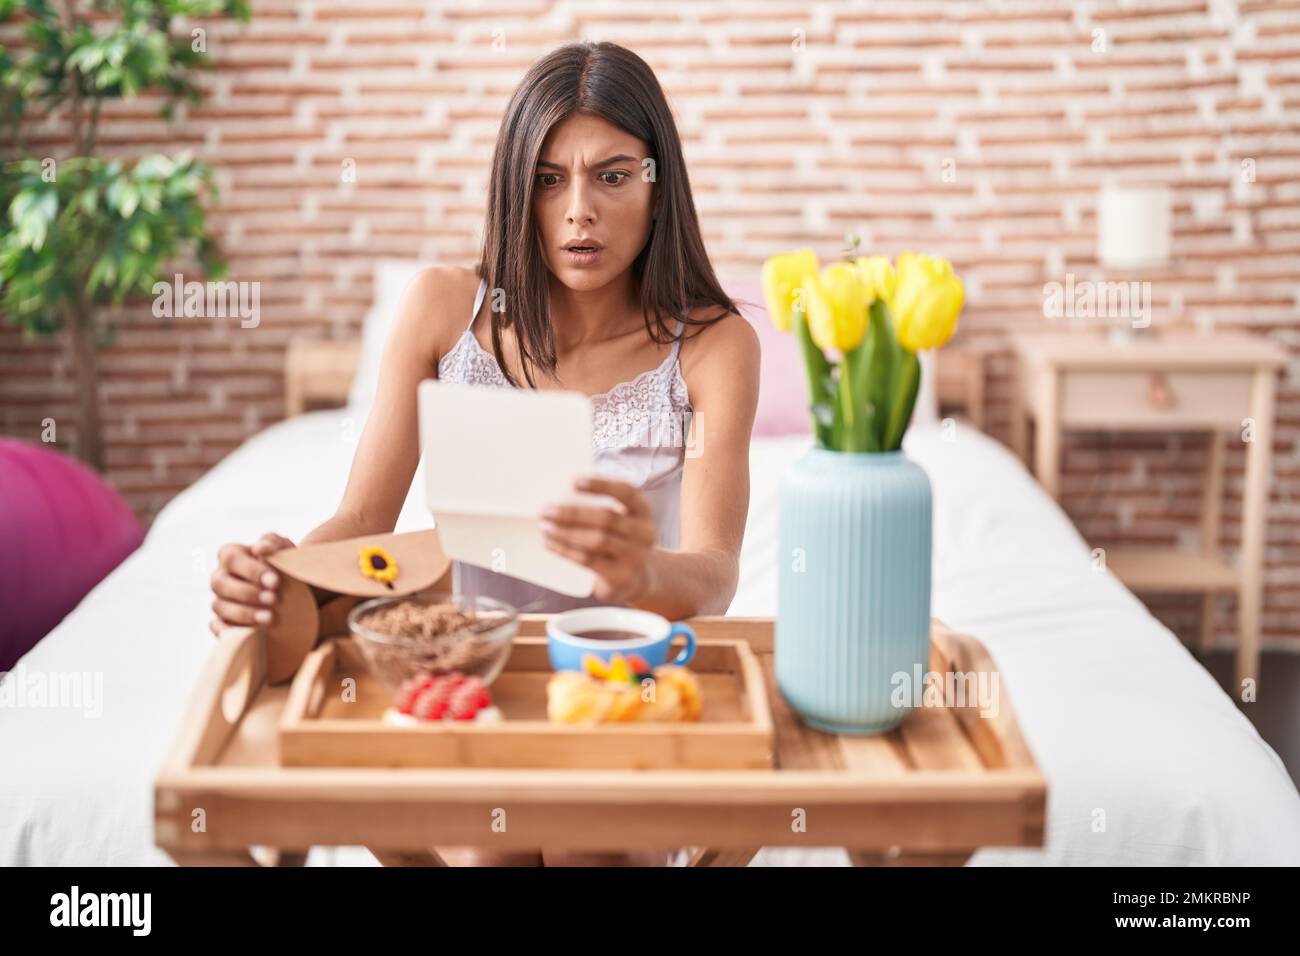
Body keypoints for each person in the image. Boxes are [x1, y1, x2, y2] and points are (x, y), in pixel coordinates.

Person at [208, 40, 760, 866]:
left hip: (613, 676)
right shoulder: (441, 309)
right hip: (464, 673)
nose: (580, 210)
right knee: (485, 848)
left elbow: (714, 572)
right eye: (548, 179)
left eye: (613, 175)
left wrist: (642, 574)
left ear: (658, 186)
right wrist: (275, 577)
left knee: (588, 848)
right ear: (516, 188)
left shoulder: (715, 347)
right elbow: (364, 521)